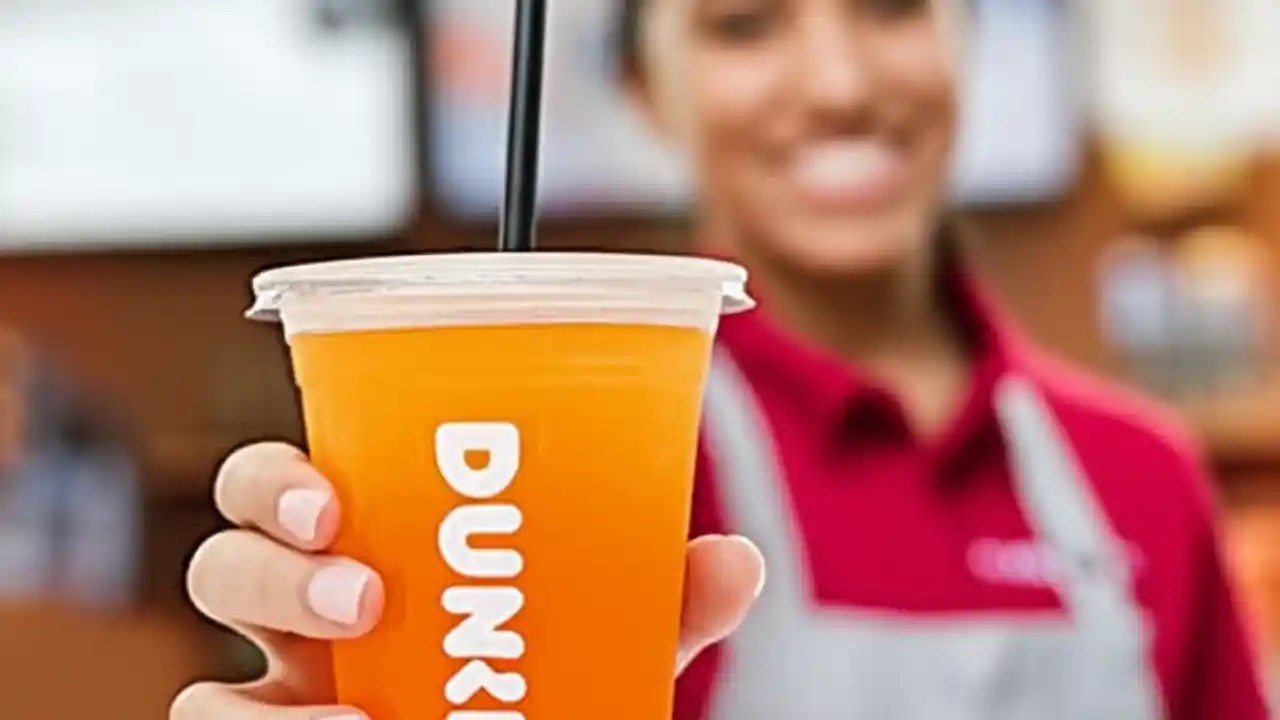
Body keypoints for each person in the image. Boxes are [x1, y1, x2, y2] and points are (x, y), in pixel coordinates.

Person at [173, 0, 1270, 717]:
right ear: (646, 92)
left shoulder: (1138, 477)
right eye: (742, 24)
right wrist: (350, 661)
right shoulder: (568, 450)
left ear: (965, 35)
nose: (837, 84)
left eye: (890, 6)